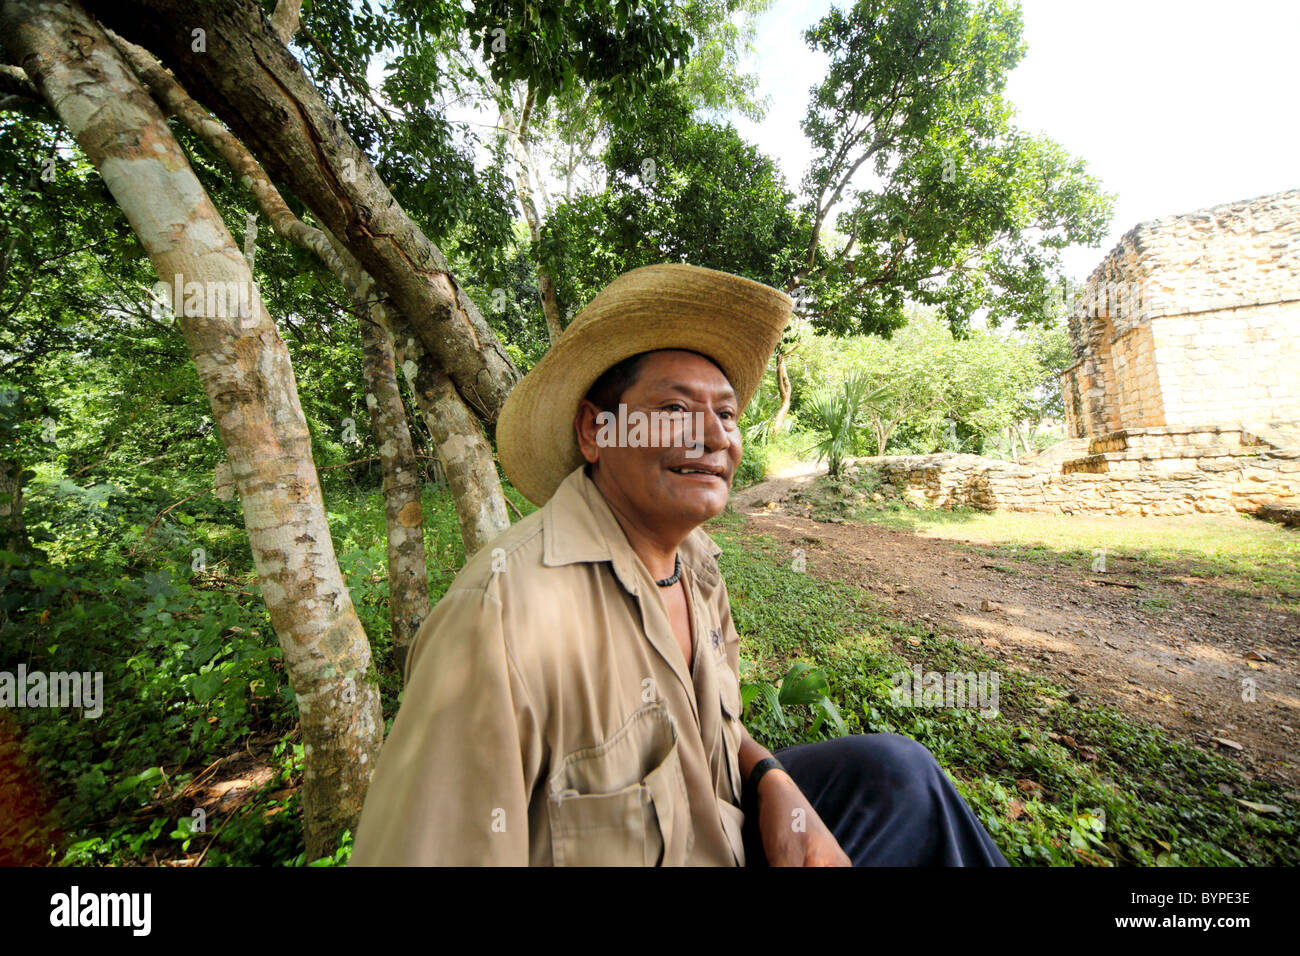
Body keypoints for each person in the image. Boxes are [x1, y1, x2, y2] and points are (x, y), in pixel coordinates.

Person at [349, 263, 1008, 866]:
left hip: (724, 830)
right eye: (674, 409)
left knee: (898, 772)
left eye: (726, 413)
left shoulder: (696, 566)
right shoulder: (502, 615)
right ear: (595, 432)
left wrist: (771, 781)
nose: (716, 435)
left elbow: (717, 731)